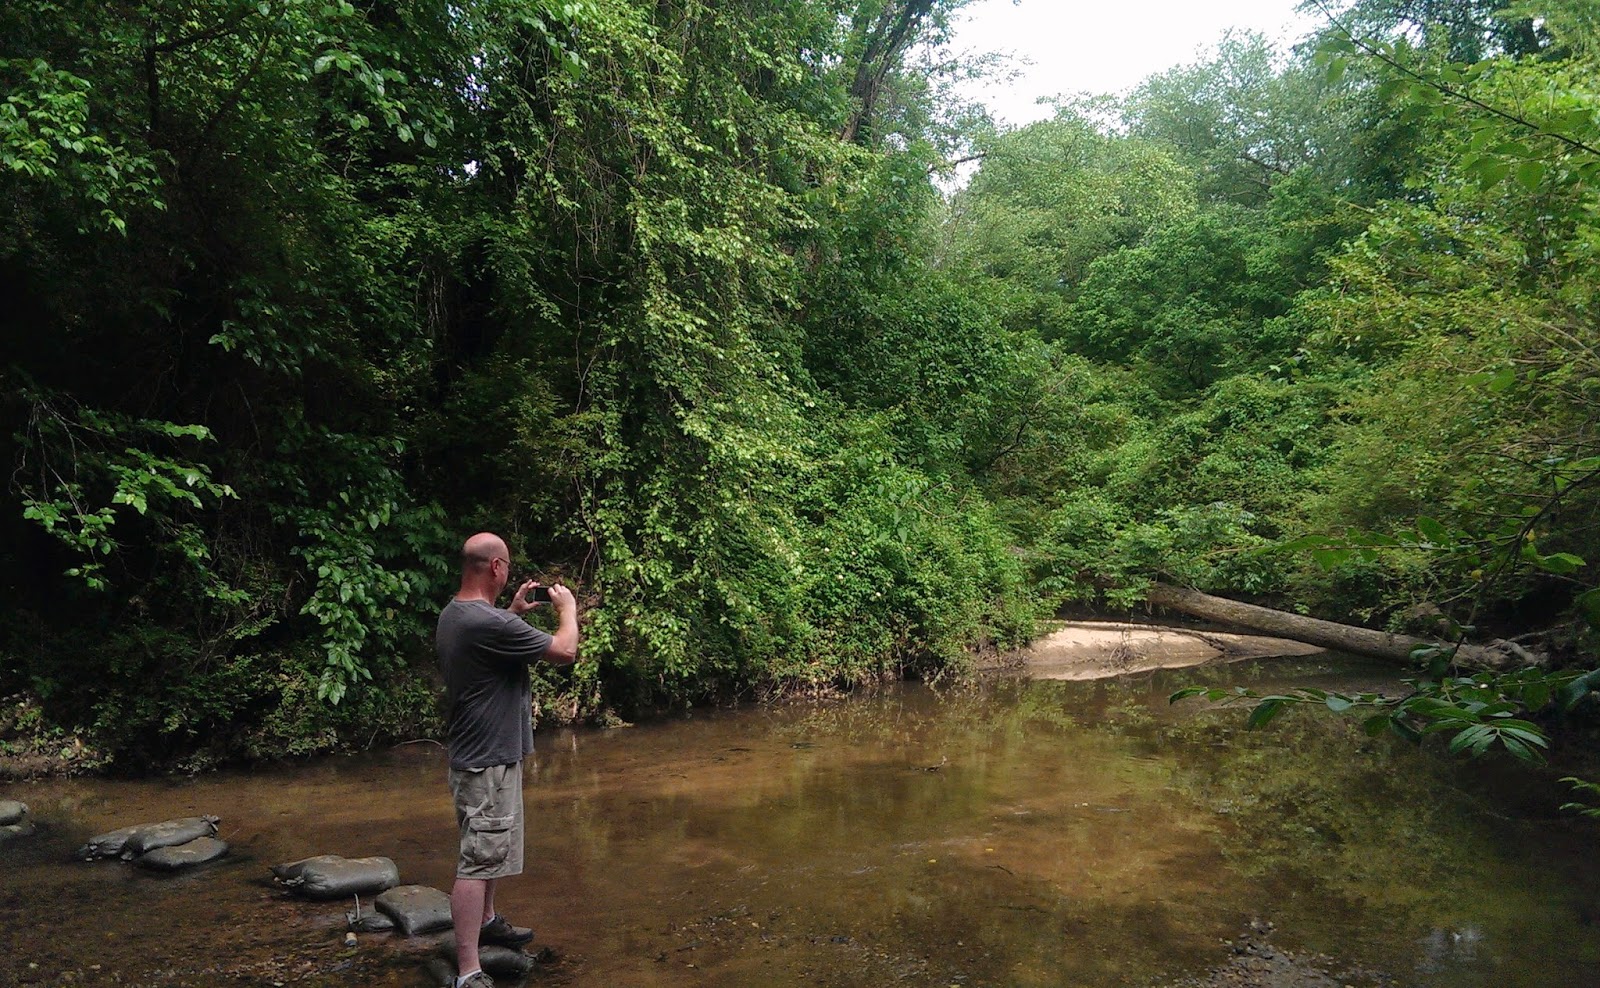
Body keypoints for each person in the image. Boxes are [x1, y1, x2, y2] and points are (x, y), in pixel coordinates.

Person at [436, 532, 578, 988]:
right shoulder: (488, 625)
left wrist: (512, 612)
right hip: (485, 761)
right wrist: (568, 611)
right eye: (508, 565)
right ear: (496, 568)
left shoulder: (457, 614)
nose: (510, 573)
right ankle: (467, 970)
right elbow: (564, 651)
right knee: (477, 860)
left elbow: (490, 638)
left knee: (489, 848)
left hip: (483, 755)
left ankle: (488, 920)